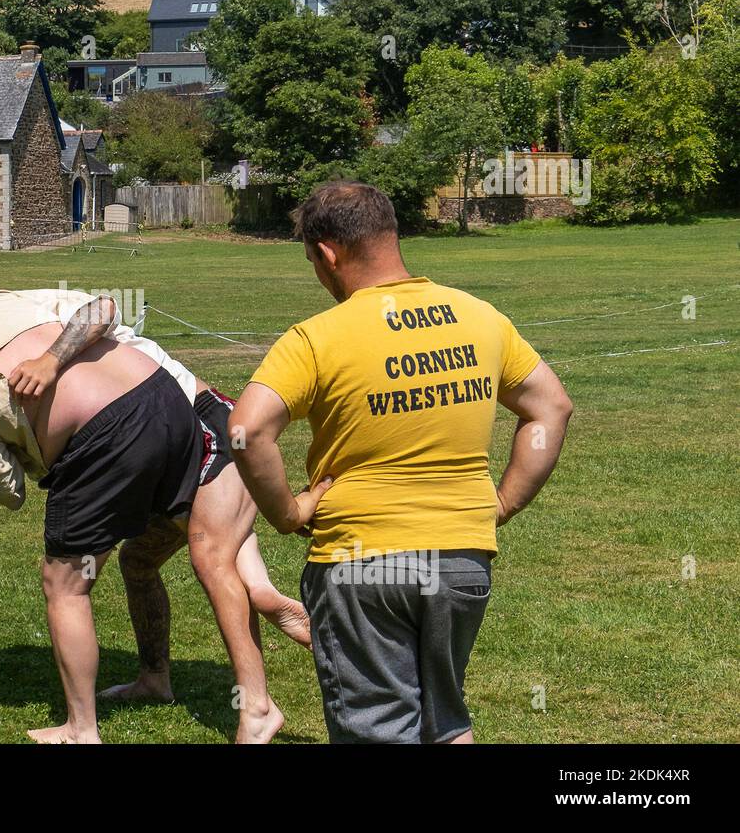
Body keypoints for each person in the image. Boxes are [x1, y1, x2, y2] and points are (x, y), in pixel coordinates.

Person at [230, 181, 573, 744]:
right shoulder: (481, 317)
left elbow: (246, 430)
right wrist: (503, 502)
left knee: (379, 727)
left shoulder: (315, 338)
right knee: (446, 721)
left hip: (361, 561)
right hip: (462, 559)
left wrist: (289, 513)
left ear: (328, 253)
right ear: (390, 234)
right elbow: (551, 408)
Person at [0, 289, 297, 743]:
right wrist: (54, 356)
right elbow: (103, 307)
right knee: (163, 557)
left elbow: (7, 490)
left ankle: (81, 729)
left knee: (65, 586)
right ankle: (170, 678)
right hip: (165, 397)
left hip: (105, 439)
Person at [5, 293, 312, 743]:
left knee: (211, 557)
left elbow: (104, 306)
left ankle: (258, 707)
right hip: (177, 441)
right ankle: (156, 676)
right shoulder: (59, 339)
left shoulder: (67, 320)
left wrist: (50, 360)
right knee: (140, 561)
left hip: (203, 425)